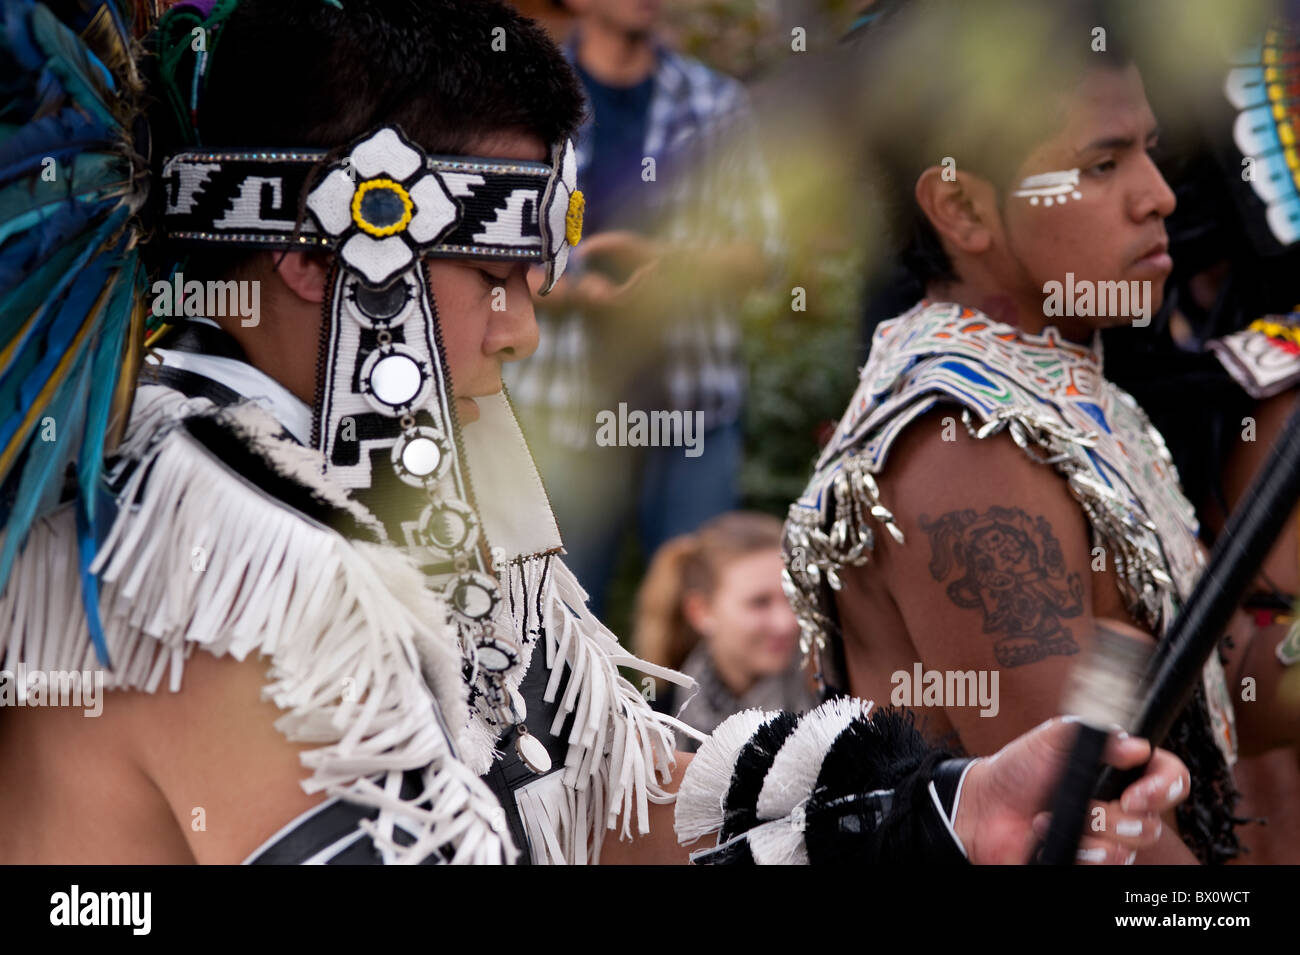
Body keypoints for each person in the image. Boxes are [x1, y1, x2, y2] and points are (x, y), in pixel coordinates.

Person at [0, 0, 1188, 867]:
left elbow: (595, 794)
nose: (525, 327)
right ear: (319, 258)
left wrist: (955, 808)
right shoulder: (199, 558)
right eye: (494, 278)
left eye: (539, 275)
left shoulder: (370, 475)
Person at [781, 0, 1247, 864]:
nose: (1160, 196)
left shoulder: (1056, 388)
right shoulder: (969, 445)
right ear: (960, 206)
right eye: (1103, 163)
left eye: (1150, 150)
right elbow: (1096, 838)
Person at [506, 0, 782, 616]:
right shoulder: (525, 97)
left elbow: (762, 253)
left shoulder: (715, 102)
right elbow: (494, 256)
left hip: (691, 404)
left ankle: (701, 718)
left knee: (708, 623)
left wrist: (672, 266)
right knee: (554, 622)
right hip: (564, 405)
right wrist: (574, 291)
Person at [634, 512, 815, 749]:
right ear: (701, 612)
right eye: (760, 602)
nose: (787, 622)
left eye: (792, 598)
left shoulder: (836, 699)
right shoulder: (655, 722)